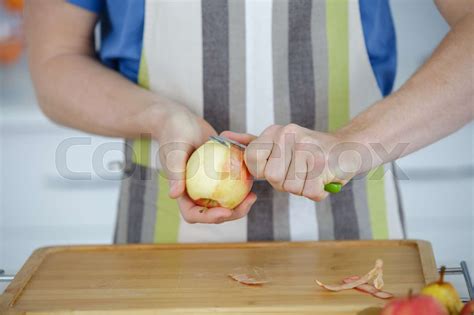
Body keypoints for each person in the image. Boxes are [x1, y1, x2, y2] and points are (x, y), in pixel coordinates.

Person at [25, 0, 473, 243]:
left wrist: (353, 142)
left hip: (353, 230)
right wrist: (160, 118)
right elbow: (55, 59)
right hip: (161, 233)